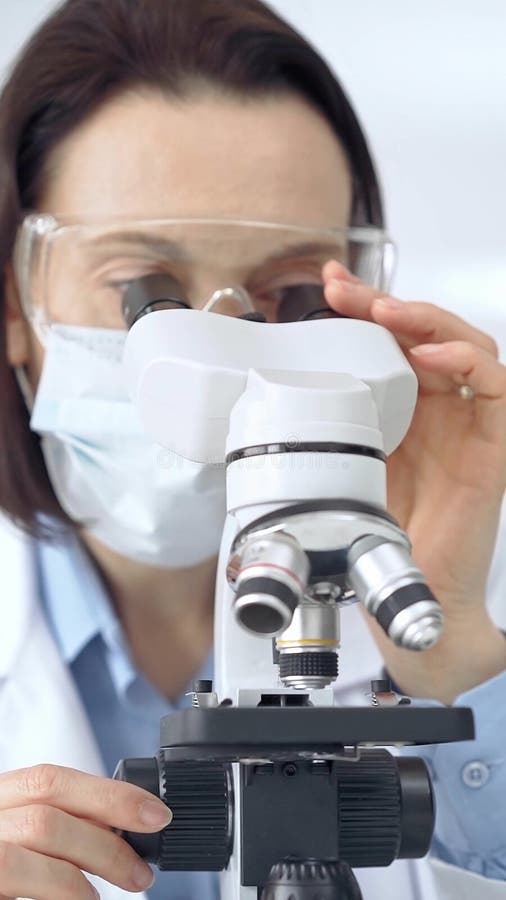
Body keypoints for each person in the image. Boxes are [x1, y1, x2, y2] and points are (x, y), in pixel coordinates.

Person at [0, 1, 505, 898]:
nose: (217, 352)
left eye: (292, 295)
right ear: (15, 307)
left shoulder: (441, 618)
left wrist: (451, 659)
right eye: (145, 295)